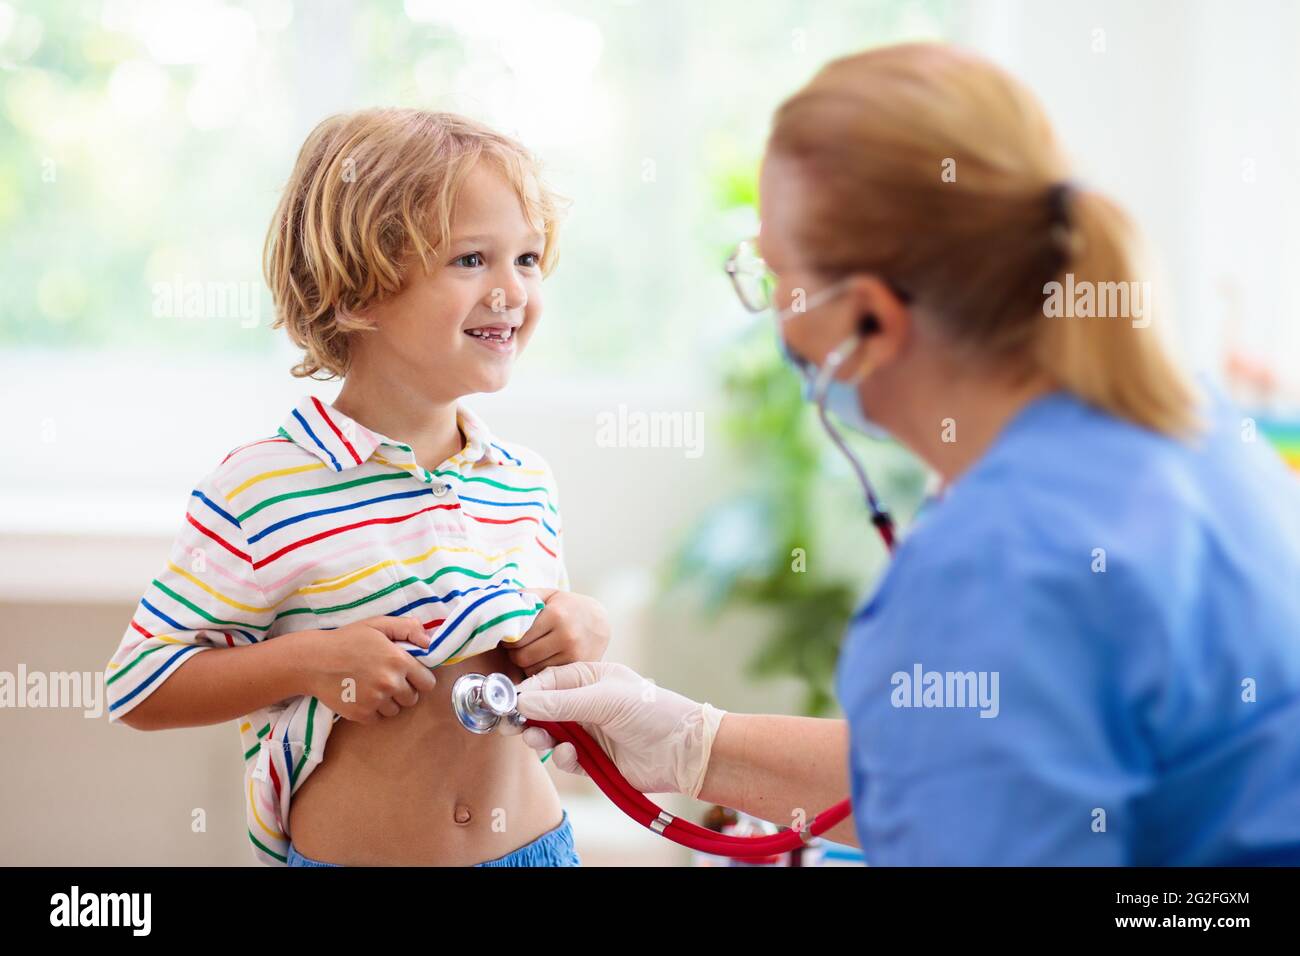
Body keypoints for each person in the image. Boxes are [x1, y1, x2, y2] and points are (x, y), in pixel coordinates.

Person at [503, 43, 1300, 865]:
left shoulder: (998, 562)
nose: (771, 314)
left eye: (772, 276)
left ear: (869, 319)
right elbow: (989, 771)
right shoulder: (1189, 423)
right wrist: (699, 745)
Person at [104, 109, 610, 867]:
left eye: (529, 259)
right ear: (357, 294)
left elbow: (546, 675)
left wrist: (579, 634)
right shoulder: (263, 488)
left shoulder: (524, 484)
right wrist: (309, 663)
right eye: (473, 259)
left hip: (537, 850)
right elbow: (138, 688)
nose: (512, 291)